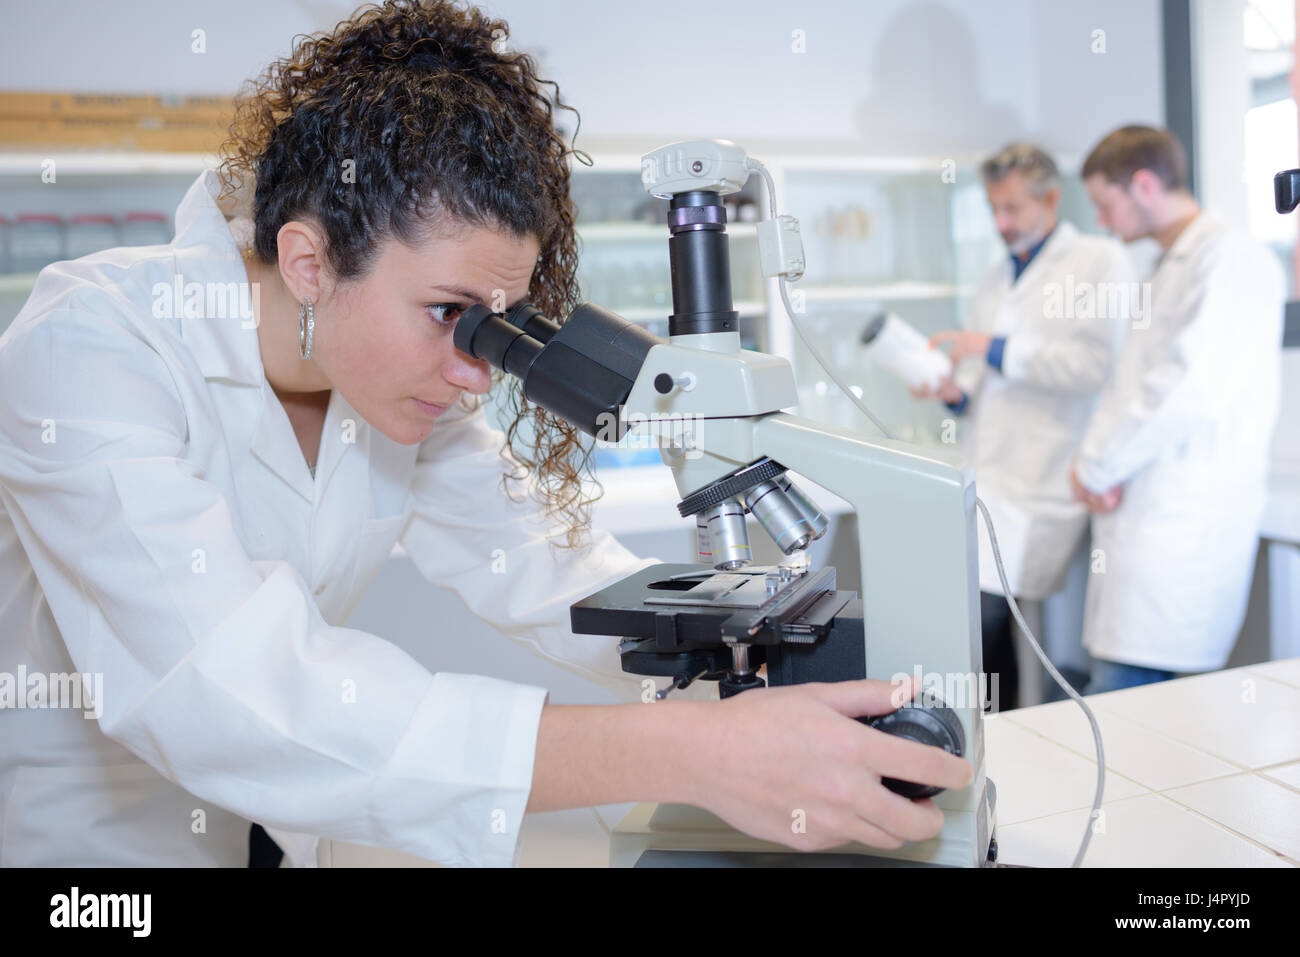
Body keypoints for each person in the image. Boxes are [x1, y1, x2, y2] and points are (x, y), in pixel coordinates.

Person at [0, 0, 970, 867]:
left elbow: (560, 574)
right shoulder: (89, 349)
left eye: (498, 329)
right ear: (306, 259)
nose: (475, 372)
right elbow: (226, 689)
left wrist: (771, 677)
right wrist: (692, 753)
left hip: (280, 839)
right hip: (91, 855)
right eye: (448, 313)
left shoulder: (394, 396)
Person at [915, 143, 1133, 710]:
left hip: (1047, 478)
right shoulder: (994, 278)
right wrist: (953, 390)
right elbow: (980, 380)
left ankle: (1009, 728)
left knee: (993, 618)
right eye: (994, 208)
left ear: (1051, 198)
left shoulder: (1097, 261)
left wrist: (992, 347)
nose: (1001, 223)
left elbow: (1092, 366)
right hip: (991, 472)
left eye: (1013, 208)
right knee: (979, 622)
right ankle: (994, 733)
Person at [1072, 125, 1285, 693]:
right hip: (1141, 518)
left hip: (1181, 531)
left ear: (1143, 185)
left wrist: (1096, 468)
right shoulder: (1166, 266)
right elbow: (1130, 389)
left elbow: (1188, 391)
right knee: (1124, 714)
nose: (1101, 221)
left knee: (1127, 721)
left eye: (1105, 203)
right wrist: (1096, 468)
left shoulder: (1230, 259)